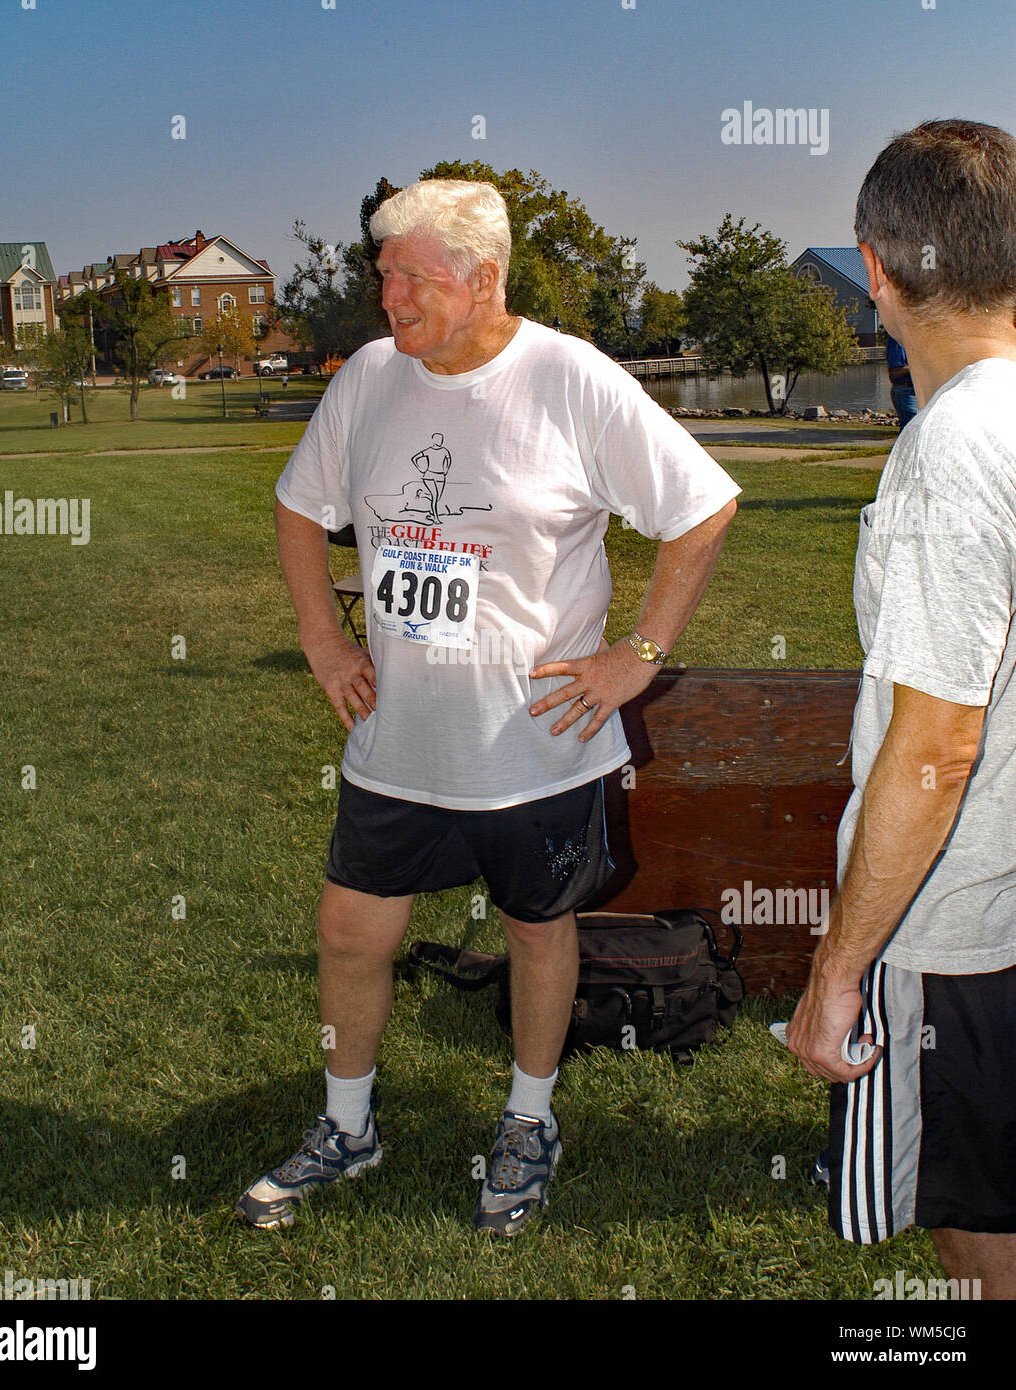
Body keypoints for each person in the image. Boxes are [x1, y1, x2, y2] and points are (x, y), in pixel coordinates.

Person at [237, 178, 739, 1236]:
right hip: (398, 741)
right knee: (348, 931)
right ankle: (348, 1123)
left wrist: (637, 655)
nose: (391, 295)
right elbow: (296, 506)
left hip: (534, 746)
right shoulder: (372, 379)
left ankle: (527, 1119)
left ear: (485, 277)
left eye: (414, 275)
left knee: (538, 933)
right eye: (384, 273)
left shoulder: (569, 379)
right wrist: (322, 639)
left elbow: (701, 505)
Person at [788, 119, 1016, 1298]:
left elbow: (935, 746)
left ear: (875, 269)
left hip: (965, 937)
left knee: (976, 1234)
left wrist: (839, 972)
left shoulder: (954, 448)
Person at [885, 332, 918, 429]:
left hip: (918, 391)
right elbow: (894, 373)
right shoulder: (898, 339)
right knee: (911, 429)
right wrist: (920, 365)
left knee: (917, 431)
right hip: (906, 391)